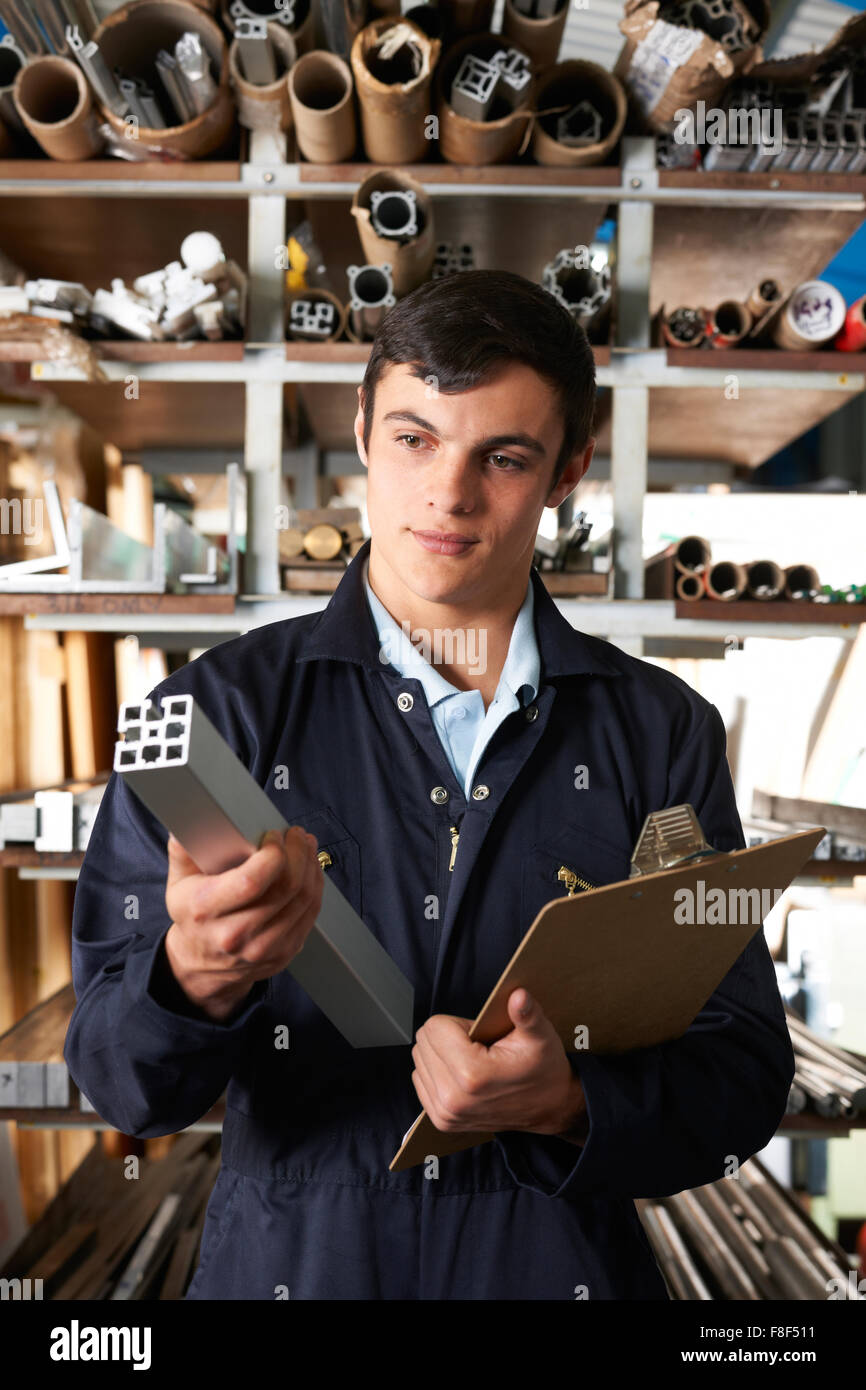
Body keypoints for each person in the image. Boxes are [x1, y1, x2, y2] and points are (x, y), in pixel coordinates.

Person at [65, 269, 794, 1300]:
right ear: (362, 429)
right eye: (413, 438)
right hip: (298, 1274)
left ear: (567, 469)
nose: (447, 494)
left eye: (501, 456)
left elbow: (740, 1074)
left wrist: (569, 1102)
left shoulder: (658, 733)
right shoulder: (210, 722)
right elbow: (112, 1078)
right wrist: (192, 976)